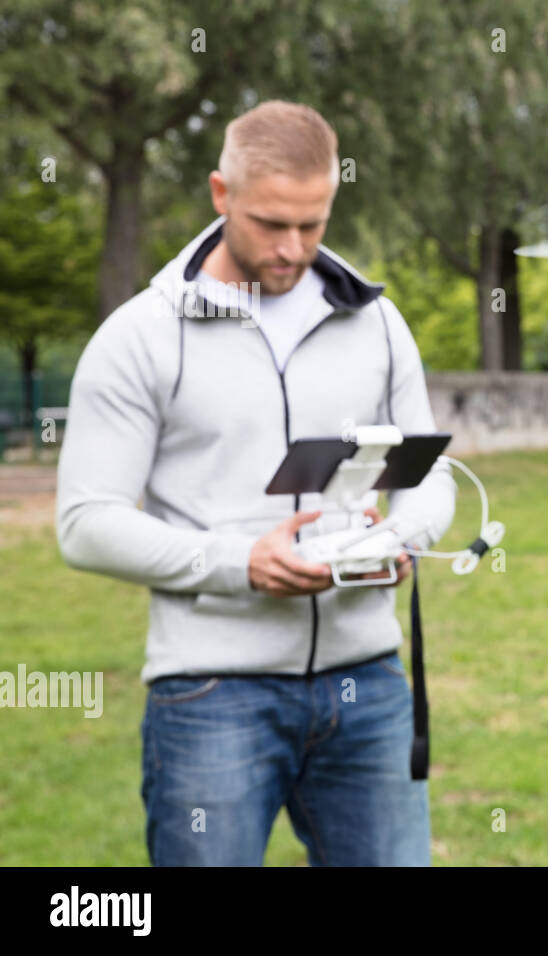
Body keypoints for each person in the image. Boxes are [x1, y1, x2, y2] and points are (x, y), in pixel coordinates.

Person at [55, 100, 455, 866]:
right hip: (212, 694)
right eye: (272, 223)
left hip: (367, 684)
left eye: (314, 223)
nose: (294, 247)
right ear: (220, 194)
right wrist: (241, 565)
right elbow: (85, 522)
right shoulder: (141, 337)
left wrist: (402, 537)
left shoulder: (377, 323)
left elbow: (428, 475)